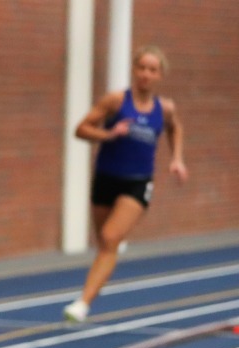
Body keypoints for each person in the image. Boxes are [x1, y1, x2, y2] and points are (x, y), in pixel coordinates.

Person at [63, 45, 187, 322]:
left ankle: (82, 304)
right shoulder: (116, 101)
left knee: (109, 238)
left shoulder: (165, 108)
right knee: (105, 243)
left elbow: (175, 128)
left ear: (160, 76)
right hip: (106, 178)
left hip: (137, 182)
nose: (145, 74)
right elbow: (80, 129)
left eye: (152, 70)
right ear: (134, 70)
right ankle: (100, 275)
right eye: (141, 67)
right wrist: (109, 134)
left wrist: (177, 158)